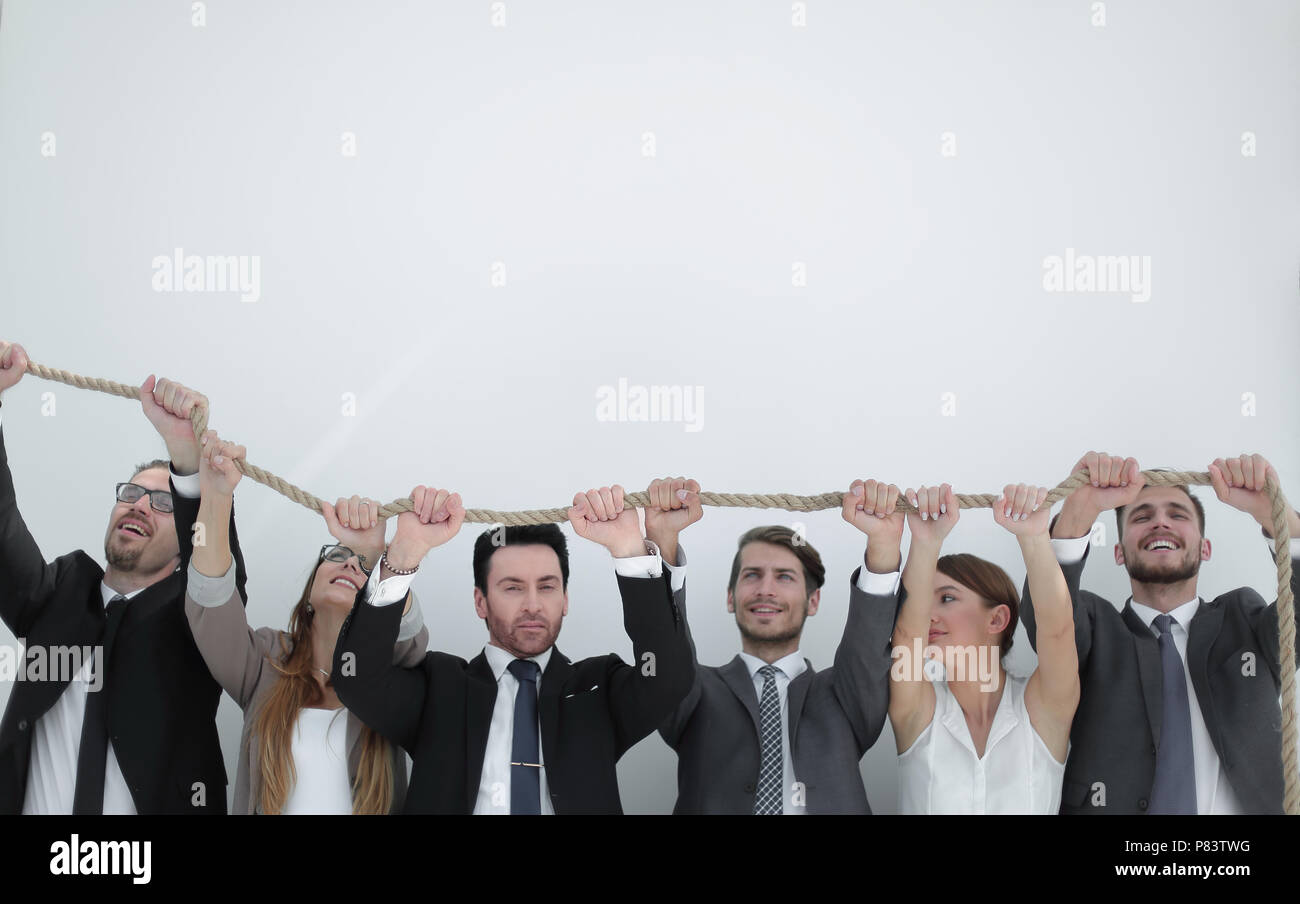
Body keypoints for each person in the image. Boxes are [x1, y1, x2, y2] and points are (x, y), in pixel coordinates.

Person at [331, 481, 695, 814]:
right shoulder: (439, 687)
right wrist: (403, 554)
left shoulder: (597, 690)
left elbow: (670, 679)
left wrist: (629, 550)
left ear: (565, 600)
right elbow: (357, 678)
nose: (532, 605)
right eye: (512, 587)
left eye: (547, 586)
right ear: (481, 602)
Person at [0, 340, 245, 814]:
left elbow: (215, 575)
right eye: (131, 494)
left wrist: (186, 461)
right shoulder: (58, 595)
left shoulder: (197, 624)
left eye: (163, 502)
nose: (140, 505)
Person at [1023, 451, 1300, 814]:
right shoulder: (1093, 627)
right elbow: (1047, 621)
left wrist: (1276, 518)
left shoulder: (1242, 620)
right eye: (1142, 516)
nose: (1160, 523)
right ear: (1119, 553)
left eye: (1178, 515)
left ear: (1205, 548)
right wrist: (1077, 513)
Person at [184, 430, 430, 814]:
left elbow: (409, 636)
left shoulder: (391, 670)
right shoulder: (264, 662)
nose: (351, 564)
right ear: (310, 593)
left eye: (364, 566)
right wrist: (216, 496)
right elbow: (210, 601)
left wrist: (375, 553)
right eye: (337, 555)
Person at [658, 477, 903, 814]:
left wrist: (883, 543)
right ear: (730, 598)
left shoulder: (842, 697)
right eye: (752, 575)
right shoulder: (696, 691)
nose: (766, 590)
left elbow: (867, 643)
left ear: (813, 601)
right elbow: (664, 645)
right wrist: (663, 541)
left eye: (785, 576)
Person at [889, 481, 1079, 814]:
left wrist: (1034, 537)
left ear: (997, 619)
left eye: (947, 598)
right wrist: (925, 541)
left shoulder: (1043, 709)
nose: (928, 615)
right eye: (925, 601)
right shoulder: (918, 711)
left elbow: (1058, 631)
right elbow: (906, 635)